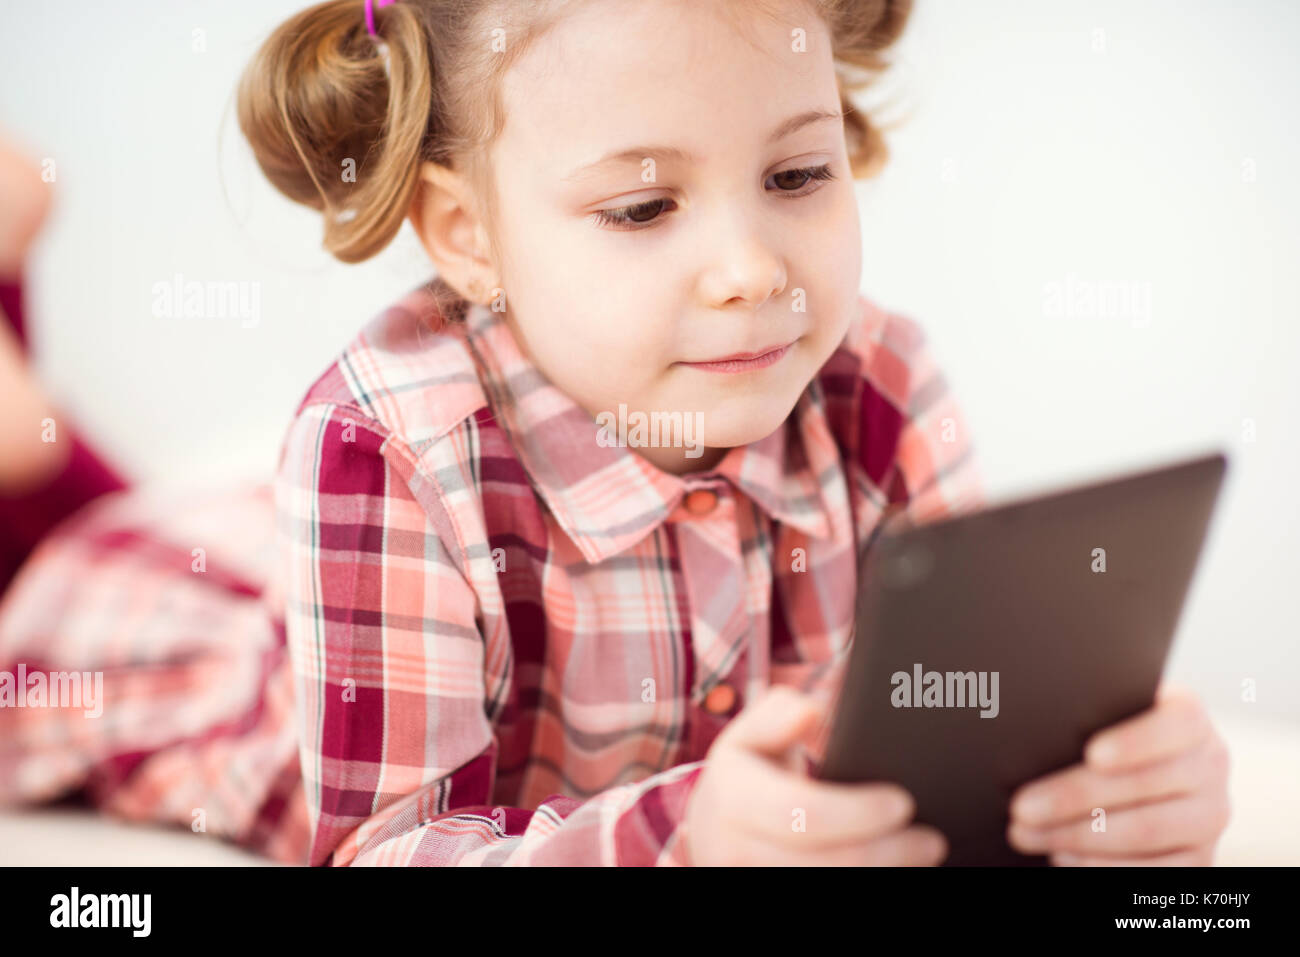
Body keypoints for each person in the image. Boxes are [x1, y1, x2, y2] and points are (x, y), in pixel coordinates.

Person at [0, 0, 1230, 867]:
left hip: (269, 539)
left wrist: (1116, 781)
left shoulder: (886, 383)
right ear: (466, 232)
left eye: (798, 177)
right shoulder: (375, 444)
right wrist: (682, 843)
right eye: (643, 206)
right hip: (158, 635)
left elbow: (962, 718)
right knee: (36, 518)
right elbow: (393, 854)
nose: (751, 270)